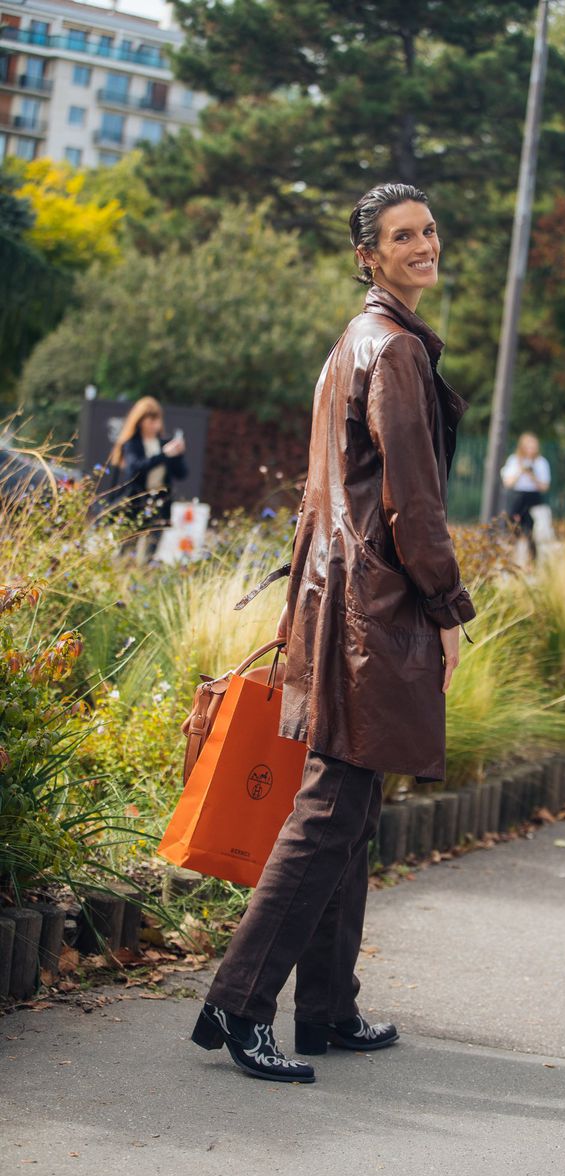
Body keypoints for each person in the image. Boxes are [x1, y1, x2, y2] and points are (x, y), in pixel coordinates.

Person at [191, 183, 476, 1083]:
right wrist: (447, 609)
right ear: (369, 255)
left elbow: (336, 494)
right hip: (373, 611)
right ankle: (238, 1007)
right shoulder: (390, 349)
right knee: (329, 815)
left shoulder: (358, 342)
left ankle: (327, 1009)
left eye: (429, 229)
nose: (423, 244)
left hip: (338, 599)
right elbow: (412, 500)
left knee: (348, 814)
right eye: (403, 236)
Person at [108, 397, 187, 560]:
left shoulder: (165, 442)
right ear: (140, 421)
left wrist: (178, 454)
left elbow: (182, 474)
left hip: (159, 504)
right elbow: (135, 469)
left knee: (149, 555)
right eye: (150, 420)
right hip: (135, 503)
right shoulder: (132, 444)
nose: (155, 424)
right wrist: (163, 455)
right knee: (126, 552)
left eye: (157, 420)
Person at [500, 432, 551, 560]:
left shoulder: (541, 462)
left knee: (531, 532)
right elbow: (508, 483)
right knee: (512, 531)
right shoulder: (514, 460)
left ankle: (532, 561)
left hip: (533, 498)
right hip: (516, 498)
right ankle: (511, 560)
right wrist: (520, 471)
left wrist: (532, 476)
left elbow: (544, 487)